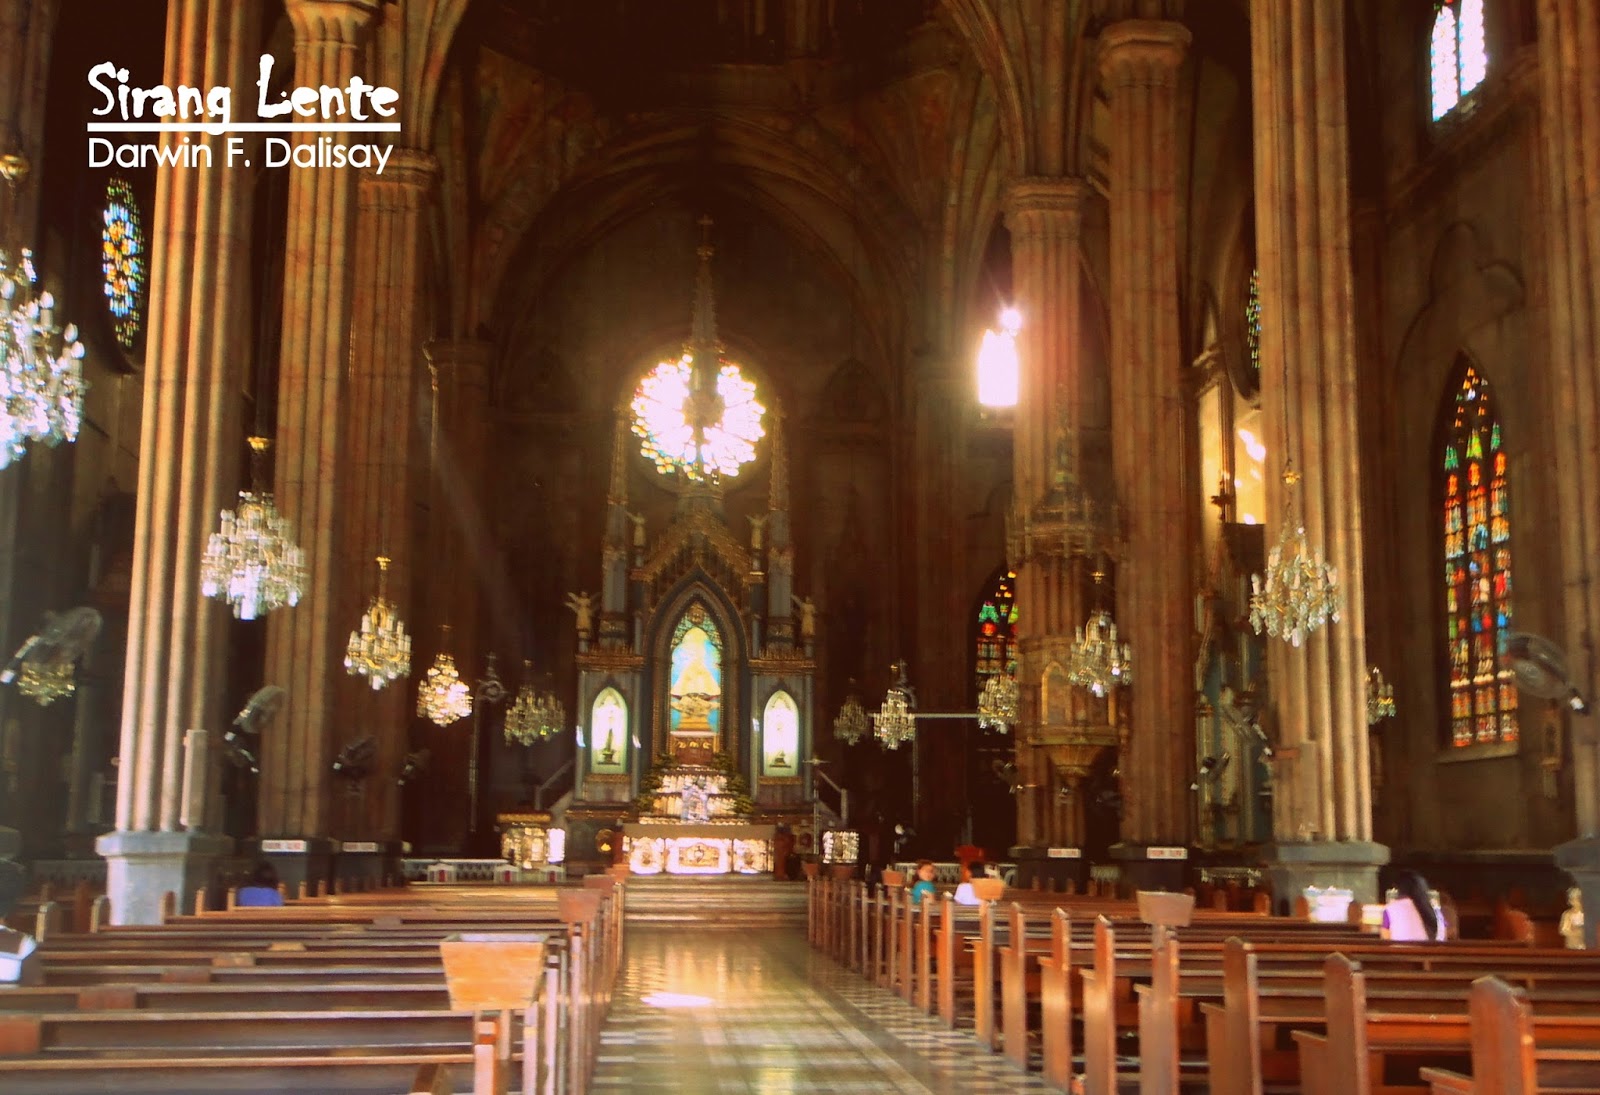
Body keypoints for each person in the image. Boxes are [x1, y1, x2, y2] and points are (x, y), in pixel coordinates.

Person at [1382, 870, 1442, 941]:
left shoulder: (1390, 908)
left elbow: (1385, 937)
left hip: (1400, 951)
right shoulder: (1435, 908)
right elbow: (1443, 935)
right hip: (1430, 951)